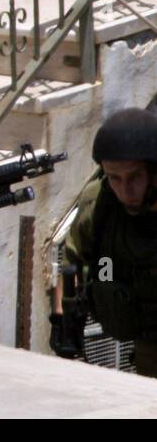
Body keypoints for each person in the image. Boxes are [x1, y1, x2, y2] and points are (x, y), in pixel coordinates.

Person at [55, 108, 157, 377]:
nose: (125, 190)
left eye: (134, 177)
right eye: (114, 178)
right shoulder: (99, 205)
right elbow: (71, 266)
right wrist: (63, 325)